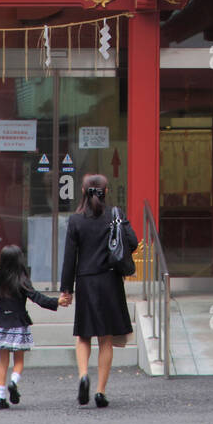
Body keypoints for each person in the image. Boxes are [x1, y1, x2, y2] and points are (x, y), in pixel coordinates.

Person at [59, 174, 138, 408]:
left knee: (83, 335)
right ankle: (101, 391)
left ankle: (84, 375)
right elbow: (132, 242)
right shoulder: (115, 214)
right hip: (110, 281)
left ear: (83, 191)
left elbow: (69, 258)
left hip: (86, 282)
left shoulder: (75, 220)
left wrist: (66, 290)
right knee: (105, 338)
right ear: (106, 191)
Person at [0, 244, 59, 409]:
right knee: (18, 361)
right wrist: (56, 302)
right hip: (19, 325)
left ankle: (1, 397)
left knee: (3, 362)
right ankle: (13, 382)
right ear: (20, 261)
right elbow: (37, 297)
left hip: (1, 326)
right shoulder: (22, 281)